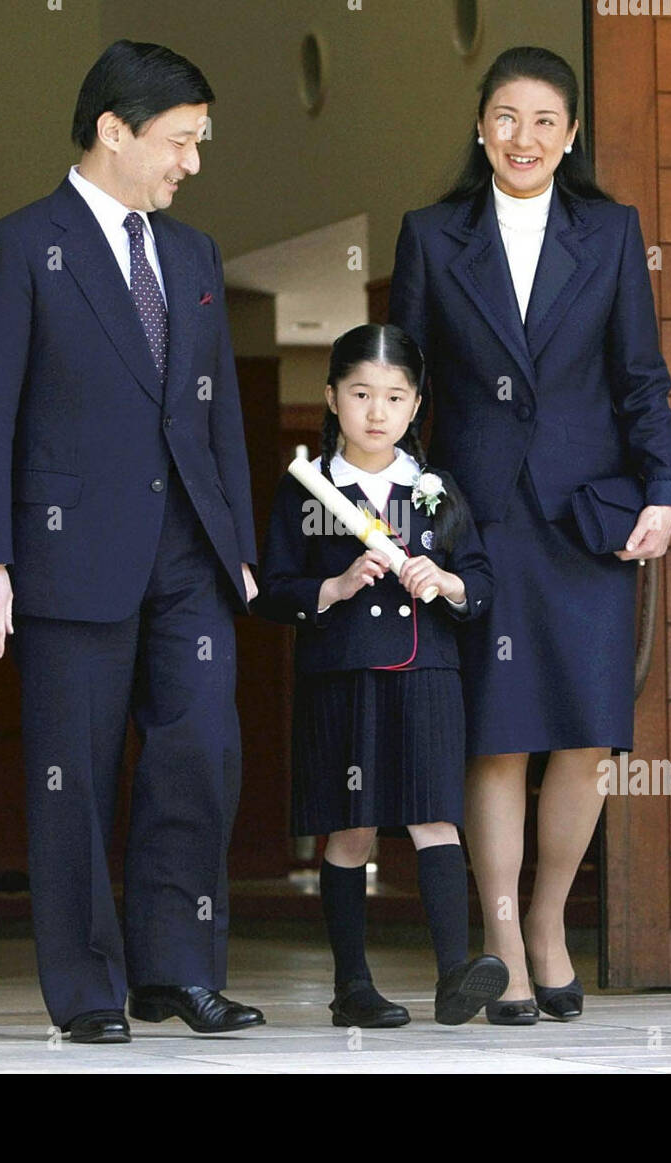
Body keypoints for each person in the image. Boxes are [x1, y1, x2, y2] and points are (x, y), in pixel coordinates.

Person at [0, 41, 264, 1043]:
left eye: (198, 144)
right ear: (112, 131)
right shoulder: (16, 246)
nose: (191, 164)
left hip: (190, 559)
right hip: (64, 552)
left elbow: (217, 416)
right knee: (71, 777)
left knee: (200, 752)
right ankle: (87, 989)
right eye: (179, 142)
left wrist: (239, 542)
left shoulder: (195, 255)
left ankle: (177, 969)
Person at [389, 46, 671, 1024]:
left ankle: (554, 923)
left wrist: (666, 491)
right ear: (480, 126)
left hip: (586, 519)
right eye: (505, 117)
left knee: (584, 739)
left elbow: (640, 376)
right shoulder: (432, 236)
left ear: (569, 138)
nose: (523, 137)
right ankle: (504, 946)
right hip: (476, 520)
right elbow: (404, 387)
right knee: (497, 740)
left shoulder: (608, 234)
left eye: (544, 121)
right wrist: (394, 514)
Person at [256, 324, 508, 1027]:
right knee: (353, 829)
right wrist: (332, 588)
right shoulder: (308, 488)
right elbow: (272, 587)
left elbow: (481, 578)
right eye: (361, 392)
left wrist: (450, 581)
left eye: (394, 396)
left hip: (427, 671)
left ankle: (456, 974)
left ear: (415, 405)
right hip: (343, 675)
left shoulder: (434, 488)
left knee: (436, 818)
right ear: (332, 397)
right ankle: (353, 987)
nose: (376, 410)